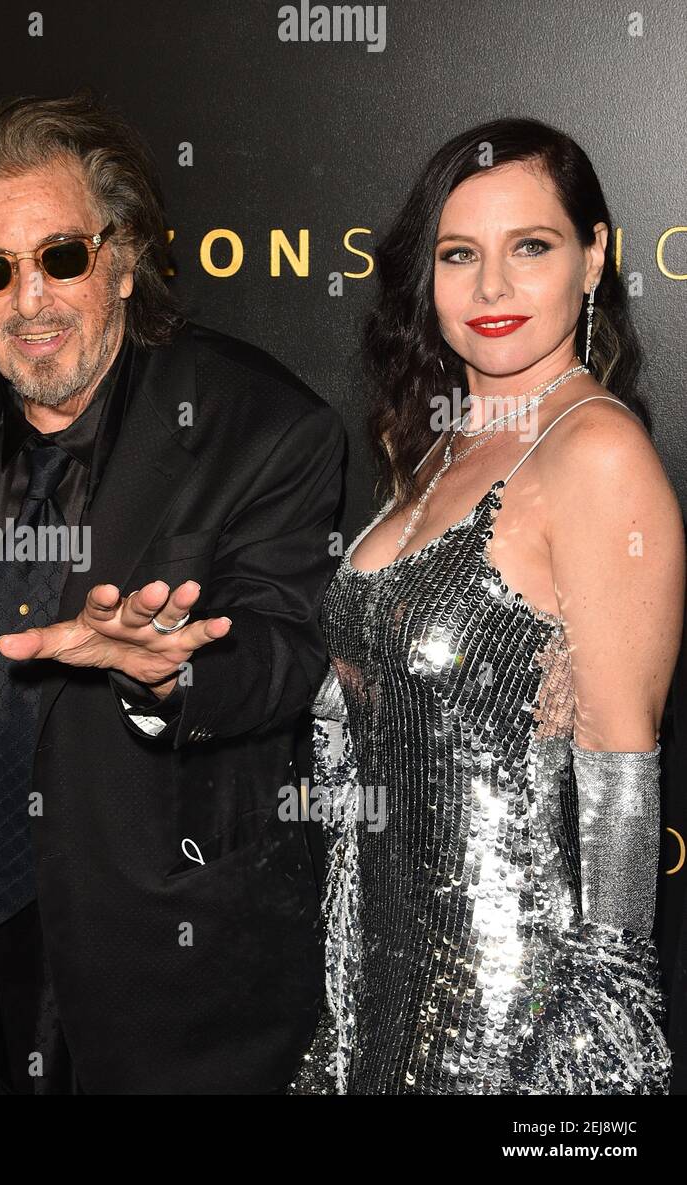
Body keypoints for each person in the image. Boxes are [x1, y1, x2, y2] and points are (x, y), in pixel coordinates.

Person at [0, 92, 346, 1093]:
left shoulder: (263, 425)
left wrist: (169, 674)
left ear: (121, 257)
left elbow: (285, 652)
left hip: (167, 952)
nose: (29, 302)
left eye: (61, 257)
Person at [288, 118, 683, 1094]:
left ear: (592, 259)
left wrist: (580, 1065)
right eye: (460, 254)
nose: (492, 288)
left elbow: (620, 787)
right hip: (375, 1000)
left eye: (531, 248)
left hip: (509, 1031)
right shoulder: (437, 450)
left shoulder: (594, 455)